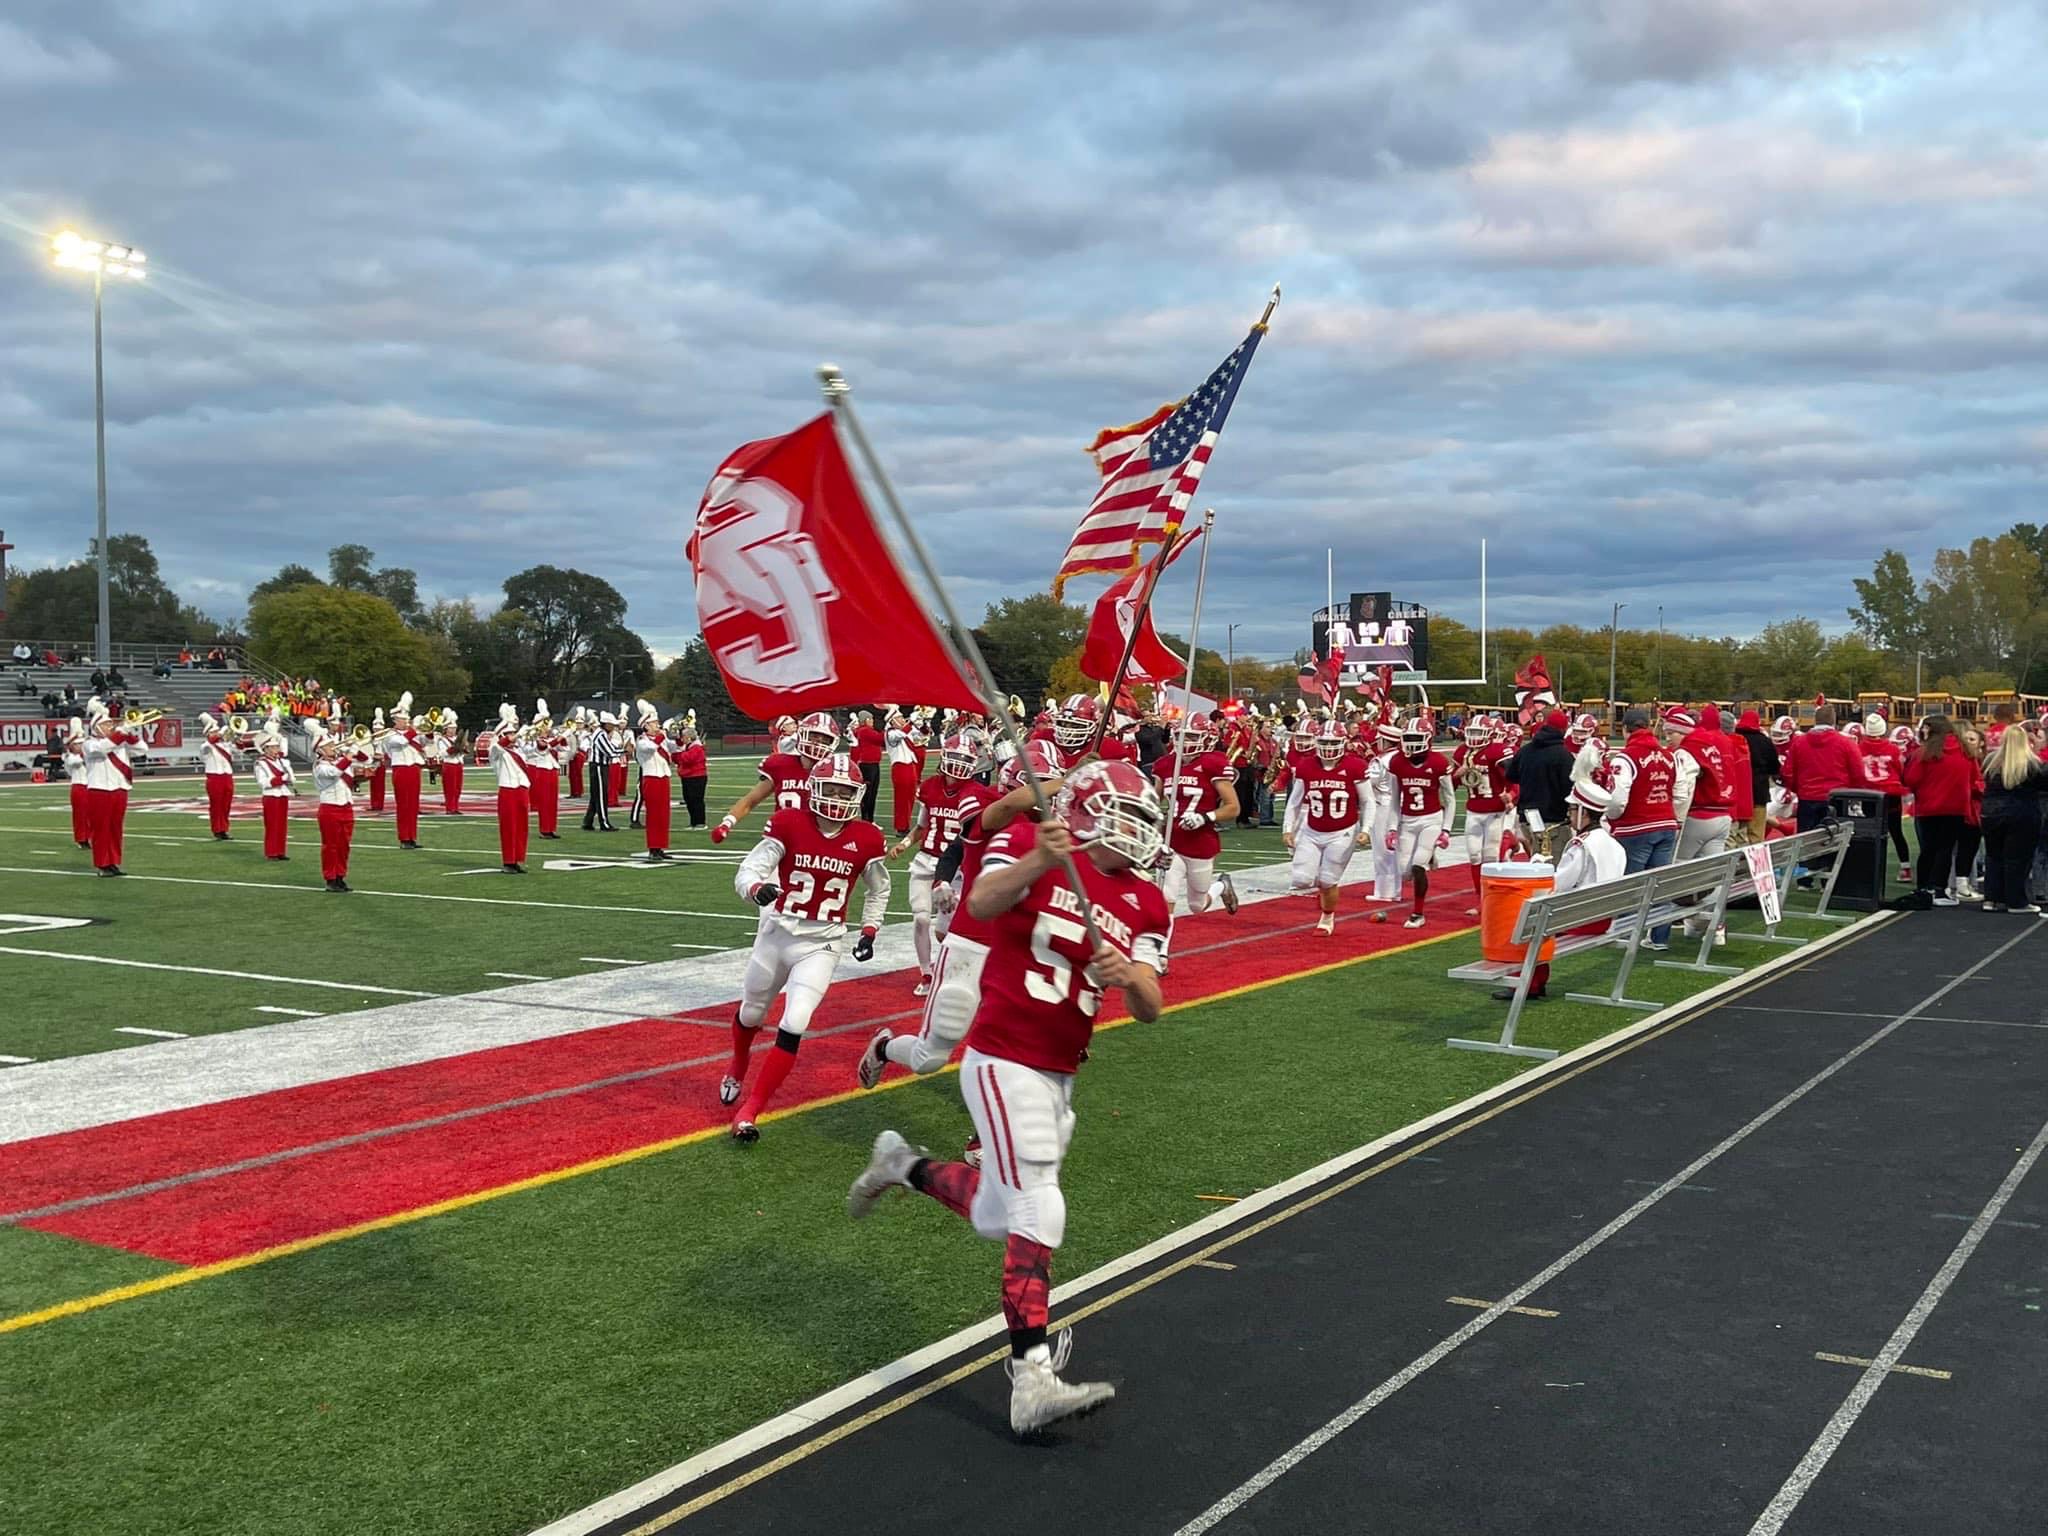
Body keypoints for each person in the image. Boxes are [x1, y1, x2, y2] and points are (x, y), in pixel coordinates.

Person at [846, 758, 1169, 1436]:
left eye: (1143, 820)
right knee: (1040, 1203)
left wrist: (1128, 979)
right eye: (1125, 814)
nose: (1134, 831)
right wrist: (1037, 863)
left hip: (1060, 1069)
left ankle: (900, 1164)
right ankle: (1032, 1379)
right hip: (1002, 1054)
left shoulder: (1146, 899)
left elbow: (1151, 1007)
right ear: (1084, 808)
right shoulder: (1032, 841)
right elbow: (982, 902)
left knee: (999, 1213)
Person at [725, 753, 890, 1141]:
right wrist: (754, 888)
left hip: (822, 942)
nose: (835, 797)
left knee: (795, 1022)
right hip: (777, 933)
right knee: (751, 1014)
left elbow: (879, 890)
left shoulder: (867, 837)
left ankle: (749, 1113)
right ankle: (737, 1063)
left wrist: (870, 929)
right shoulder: (789, 821)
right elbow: (748, 870)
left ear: (857, 793)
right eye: (829, 788)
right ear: (813, 789)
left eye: (844, 790)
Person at [858, 739, 1034, 1100]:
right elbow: (961, 843)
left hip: (1015, 950)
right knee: (929, 1057)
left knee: (1013, 1046)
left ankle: (982, 1135)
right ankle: (884, 1048)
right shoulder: (984, 803)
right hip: (971, 943)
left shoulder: (1057, 830)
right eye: (1044, 783)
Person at [1491, 779, 1628, 1003]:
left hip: (1584, 918)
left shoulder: (1581, 844)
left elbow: (1559, 883)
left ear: (1584, 812)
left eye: (1573, 809)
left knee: (1525, 922)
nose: (1569, 813)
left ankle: (1527, 985)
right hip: (1605, 915)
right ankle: (1535, 983)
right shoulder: (1612, 842)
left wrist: (1537, 864)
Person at [888, 731, 997, 994]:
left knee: (944, 932)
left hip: (955, 868)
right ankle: (926, 974)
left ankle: (957, 970)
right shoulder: (930, 787)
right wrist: (904, 844)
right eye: (955, 756)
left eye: (964, 758)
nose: (958, 763)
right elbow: (922, 826)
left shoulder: (977, 792)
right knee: (921, 919)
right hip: (926, 861)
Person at [1284, 721, 1373, 935]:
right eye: (1324, 742)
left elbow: (1368, 801)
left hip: (1342, 831)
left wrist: (1366, 829)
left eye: (1333, 742)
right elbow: (1295, 801)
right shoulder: (1306, 765)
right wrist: (1288, 828)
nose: (1328, 747)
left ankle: (1327, 917)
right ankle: (1323, 889)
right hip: (1312, 829)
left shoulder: (1355, 765)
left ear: (1343, 743)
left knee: (1327, 880)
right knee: (1301, 880)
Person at [1603, 707, 1679, 947]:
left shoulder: (1625, 757)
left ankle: (1626, 935)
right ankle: (1660, 937)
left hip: (1636, 826)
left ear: (1625, 729)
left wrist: (1611, 817)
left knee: (1632, 884)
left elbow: (1618, 798)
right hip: (1666, 822)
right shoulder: (1669, 755)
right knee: (1661, 884)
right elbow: (1678, 790)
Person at [1156, 712, 1241, 917]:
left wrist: (1205, 817)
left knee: (1197, 905)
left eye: (1193, 736)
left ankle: (1221, 886)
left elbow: (1233, 807)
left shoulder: (1213, 763)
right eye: (1182, 736)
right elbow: (1152, 801)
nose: (1185, 741)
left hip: (1200, 842)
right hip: (1171, 840)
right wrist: (1156, 824)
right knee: (1166, 896)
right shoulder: (1165, 764)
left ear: (1207, 738)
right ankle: (1161, 948)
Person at [711, 711, 836, 841]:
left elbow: (846, 814)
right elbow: (750, 800)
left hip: (816, 841)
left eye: (825, 740)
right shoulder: (781, 765)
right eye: (814, 737)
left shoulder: (835, 771)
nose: (818, 743)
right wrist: (727, 823)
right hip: (780, 839)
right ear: (803, 735)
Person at [1382, 717, 1455, 929]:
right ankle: (1428, 857)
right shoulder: (1397, 762)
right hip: (1407, 819)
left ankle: (1418, 913)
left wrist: (1446, 831)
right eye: (1408, 738)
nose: (1412, 742)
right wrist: (1392, 828)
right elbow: (1395, 799)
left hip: (1431, 819)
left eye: (1416, 737)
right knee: (1404, 873)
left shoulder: (1438, 762)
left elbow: (1450, 800)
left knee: (1417, 867)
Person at [1903, 715, 1976, 906]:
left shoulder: (1924, 752)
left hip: (1927, 808)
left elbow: (1911, 780)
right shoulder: (1965, 750)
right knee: (1945, 849)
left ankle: (1923, 888)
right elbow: (1974, 777)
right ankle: (1939, 890)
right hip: (1956, 807)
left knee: (1927, 850)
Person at [1978, 722, 2048, 913]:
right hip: (2022, 815)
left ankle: (1991, 899)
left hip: (1991, 814)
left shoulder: (1991, 762)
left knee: (1994, 857)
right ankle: (2016, 902)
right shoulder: (2032, 764)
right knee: (2017, 859)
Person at [1453, 716, 1513, 913]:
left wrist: (1511, 795)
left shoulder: (1497, 750)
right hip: (1473, 810)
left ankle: (1493, 899)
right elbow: (1450, 784)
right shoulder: (1462, 752)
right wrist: (1457, 774)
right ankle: (1481, 900)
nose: (1474, 737)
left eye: (1479, 733)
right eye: (1472, 732)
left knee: (1490, 855)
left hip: (1495, 810)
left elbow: (1514, 778)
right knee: (1474, 856)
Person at [1506, 709, 1575, 861]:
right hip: (1553, 821)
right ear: (1563, 730)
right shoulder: (1563, 755)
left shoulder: (1525, 751)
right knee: (1552, 870)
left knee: (1535, 865)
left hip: (1527, 818)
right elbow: (1569, 789)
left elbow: (1510, 775)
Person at [81, 702, 137, 876]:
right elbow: (103, 747)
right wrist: (122, 731)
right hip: (99, 790)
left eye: (111, 724)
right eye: (106, 724)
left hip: (120, 788)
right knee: (101, 828)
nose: (110, 726)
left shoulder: (119, 742)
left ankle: (113, 861)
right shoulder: (88, 743)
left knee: (116, 828)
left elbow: (142, 749)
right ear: (96, 727)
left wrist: (130, 733)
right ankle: (102, 864)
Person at [310, 726, 363, 892]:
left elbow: (366, 759)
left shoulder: (340, 760)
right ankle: (330, 878)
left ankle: (340, 876)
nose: (333, 747)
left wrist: (356, 746)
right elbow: (334, 772)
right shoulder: (320, 767)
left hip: (346, 806)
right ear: (320, 750)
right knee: (330, 846)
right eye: (329, 746)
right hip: (330, 808)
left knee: (344, 845)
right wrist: (349, 754)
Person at [488, 702, 532, 874]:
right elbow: (496, 747)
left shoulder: (519, 750)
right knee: (509, 826)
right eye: (509, 734)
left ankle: (518, 858)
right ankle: (508, 861)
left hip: (521, 789)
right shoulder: (498, 751)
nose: (513, 736)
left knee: (522, 826)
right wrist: (507, 735)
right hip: (508, 790)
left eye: (513, 733)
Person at [632, 700, 676, 860]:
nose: (657, 725)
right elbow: (651, 749)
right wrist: (662, 733)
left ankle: (661, 846)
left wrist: (679, 735)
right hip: (651, 778)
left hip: (664, 777)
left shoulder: (660, 738)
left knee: (664, 815)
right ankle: (653, 847)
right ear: (646, 725)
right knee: (654, 815)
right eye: (654, 723)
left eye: (657, 723)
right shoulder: (642, 741)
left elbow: (673, 747)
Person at [384, 693, 426, 850]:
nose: (406, 721)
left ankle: (412, 836)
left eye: (406, 718)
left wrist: (427, 734)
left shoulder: (412, 733)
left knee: (414, 805)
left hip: (414, 768)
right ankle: (404, 837)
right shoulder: (390, 734)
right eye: (403, 719)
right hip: (400, 769)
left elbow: (425, 743)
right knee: (403, 804)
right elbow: (401, 743)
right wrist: (413, 731)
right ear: (395, 720)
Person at [1734, 710, 1780, 846]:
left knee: (1737, 835)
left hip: (1739, 793)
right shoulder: (1765, 742)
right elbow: (1775, 768)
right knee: (1756, 834)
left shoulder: (1734, 738)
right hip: (1759, 793)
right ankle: (1755, 863)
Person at [196, 711, 244, 840]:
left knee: (226, 804)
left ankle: (224, 829)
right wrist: (221, 734)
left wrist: (237, 737)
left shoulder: (225, 744)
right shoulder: (205, 746)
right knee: (216, 805)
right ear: (207, 734)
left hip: (227, 776)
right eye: (213, 732)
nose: (216, 734)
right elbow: (207, 747)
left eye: (217, 731)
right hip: (214, 777)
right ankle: (217, 830)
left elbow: (241, 748)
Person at [253, 721, 295, 861]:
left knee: (282, 825)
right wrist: (281, 779)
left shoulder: (281, 761)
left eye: (277, 746)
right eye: (274, 747)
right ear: (267, 749)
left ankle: (280, 851)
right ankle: (271, 852)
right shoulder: (261, 763)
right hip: (271, 796)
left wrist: (289, 778)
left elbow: (289, 777)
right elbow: (263, 783)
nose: (277, 749)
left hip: (282, 794)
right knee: (272, 825)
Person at [1954, 726, 1987, 902]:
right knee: (1962, 849)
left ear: (1981, 743)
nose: (1968, 742)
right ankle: (1959, 886)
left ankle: (1965, 884)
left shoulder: (1986, 761)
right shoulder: (1962, 760)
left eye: (1972, 739)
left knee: (1971, 849)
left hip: (1978, 810)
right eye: (1965, 739)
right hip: (1964, 809)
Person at [522, 701, 563, 842]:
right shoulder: (530, 737)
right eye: (544, 724)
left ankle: (551, 828)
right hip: (541, 769)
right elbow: (533, 751)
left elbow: (564, 749)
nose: (547, 727)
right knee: (545, 801)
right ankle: (545, 829)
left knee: (553, 801)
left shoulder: (549, 736)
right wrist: (551, 742)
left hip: (551, 768)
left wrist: (561, 738)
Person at [885, 710, 923, 835]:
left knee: (910, 798)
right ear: (892, 721)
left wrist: (921, 723)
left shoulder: (902, 731)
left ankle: (905, 824)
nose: (903, 720)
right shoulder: (890, 733)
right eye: (900, 718)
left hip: (910, 765)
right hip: (900, 767)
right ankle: (901, 827)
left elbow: (921, 735)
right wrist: (911, 722)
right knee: (902, 799)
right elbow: (901, 734)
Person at [583, 711, 618, 831]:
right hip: (598, 766)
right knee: (602, 795)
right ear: (606, 724)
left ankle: (588, 821)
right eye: (612, 725)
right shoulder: (601, 735)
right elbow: (610, 752)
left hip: (599, 766)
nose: (613, 727)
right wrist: (625, 751)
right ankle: (604, 822)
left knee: (595, 795)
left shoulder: (601, 733)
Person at [851, 709, 886, 822]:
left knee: (872, 793)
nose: (872, 721)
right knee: (868, 795)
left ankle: (870, 819)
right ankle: (866, 819)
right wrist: (889, 726)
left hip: (873, 765)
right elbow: (881, 739)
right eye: (870, 719)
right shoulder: (865, 731)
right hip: (868, 766)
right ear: (866, 720)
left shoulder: (866, 730)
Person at [62, 718, 90, 849]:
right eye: (78, 744)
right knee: (80, 815)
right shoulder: (69, 757)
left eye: (82, 744)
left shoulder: (86, 755)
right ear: (72, 746)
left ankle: (90, 836)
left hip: (91, 786)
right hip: (79, 787)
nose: (81, 746)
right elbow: (75, 762)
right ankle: (81, 838)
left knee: (92, 815)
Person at [676, 720, 709, 829]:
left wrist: (679, 754)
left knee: (696, 800)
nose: (682, 739)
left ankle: (700, 822)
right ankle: (693, 822)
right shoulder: (689, 747)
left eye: (684, 737)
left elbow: (687, 759)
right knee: (689, 800)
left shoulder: (696, 748)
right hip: (688, 777)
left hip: (697, 777)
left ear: (689, 738)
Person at [439, 712, 465, 813]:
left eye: (454, 728)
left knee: (458, 788)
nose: (453, 730)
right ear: (446, 729)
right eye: (451, 728)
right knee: (450, 788)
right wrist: (453, 749)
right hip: (449, 764)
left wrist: (463, 748)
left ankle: (456, 807)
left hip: (458, 763)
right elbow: (442, 753)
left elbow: (462, 753)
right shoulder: (442, 740)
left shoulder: (457, 739)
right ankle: (450, 808)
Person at [366, 708, 389, 813]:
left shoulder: (385, 739)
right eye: (375, 729)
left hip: (380, 762)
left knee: (379, 785)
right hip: (372, 762)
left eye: (379, 729)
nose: (377, 731)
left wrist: (381, 757)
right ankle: (374, 804)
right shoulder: (371, 738)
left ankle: (379, 804)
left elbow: (387, 752)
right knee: (373, 785)